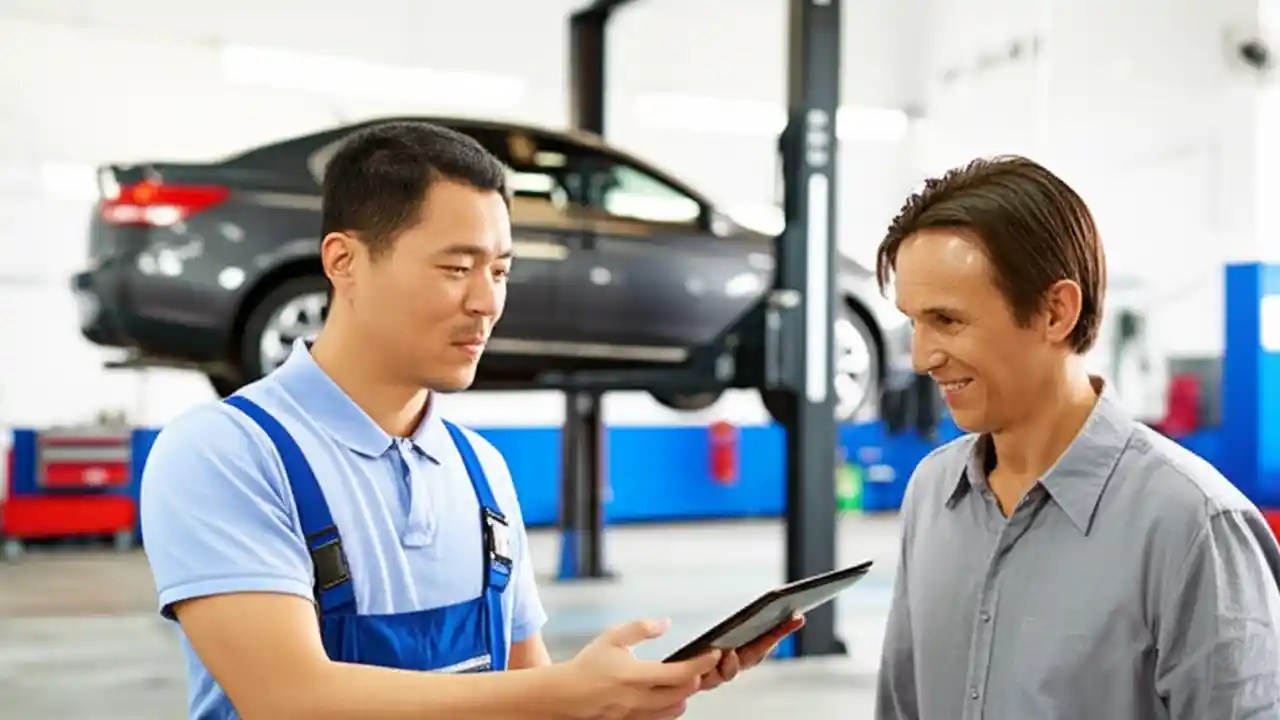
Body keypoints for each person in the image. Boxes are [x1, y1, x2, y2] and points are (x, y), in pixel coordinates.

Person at [140, 121, 800, 720]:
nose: (487, 303)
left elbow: (524, 696)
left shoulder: (479, 470)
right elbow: (289, 699)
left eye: (501, 271)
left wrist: (621, 700)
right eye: (457, 268)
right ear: (344, 262)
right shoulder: (225, 453)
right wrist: (565, 691)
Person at [872, 155, 1280, 719]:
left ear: (1055, 311)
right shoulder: (932, 492)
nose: (922, 357)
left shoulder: (1191, 524)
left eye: (948, 320)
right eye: (913, 321)